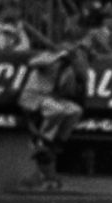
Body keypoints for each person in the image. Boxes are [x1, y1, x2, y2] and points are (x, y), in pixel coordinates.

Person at [17, 35, 90, 190]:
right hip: (33, 96)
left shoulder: (69, 68)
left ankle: (58, 142)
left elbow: (80, 80)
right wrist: (58, 56)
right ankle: (42, 140)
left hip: (51, 98)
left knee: (75, 110)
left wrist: (75, 61)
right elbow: (32, 63)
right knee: (57, 109)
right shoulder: (48, 56)